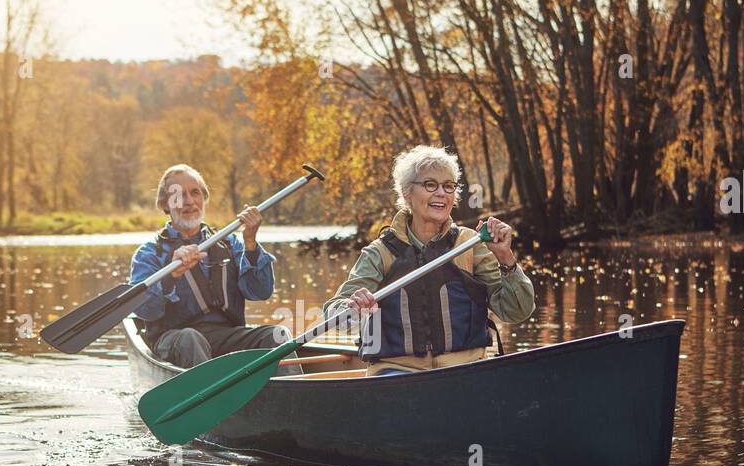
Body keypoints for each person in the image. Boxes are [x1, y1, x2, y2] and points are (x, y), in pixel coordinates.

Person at [323, 146, 534, 375]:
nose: (441, 193)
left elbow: (516, 313)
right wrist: (353, 309)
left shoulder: (470, 245)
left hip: (467, 369)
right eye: (430, 185)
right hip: (397, 373)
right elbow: (334, 315)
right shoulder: (380, 253)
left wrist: (506, 258)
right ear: (407, 193)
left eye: (448, 186)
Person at [130, 164, 300, 373]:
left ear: (204, 198)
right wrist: (171, 275)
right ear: (165, 204)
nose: (190, 201)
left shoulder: (230, 243)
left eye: (195, 192)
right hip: (174, 339)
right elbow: (146, 310)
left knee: (277, 335)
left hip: (226, 335)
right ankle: (211, 401)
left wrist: (251, 244)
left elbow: (260, 292)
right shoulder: (149, 253)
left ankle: (293, 393)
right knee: (190, 339)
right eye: (179, 195)